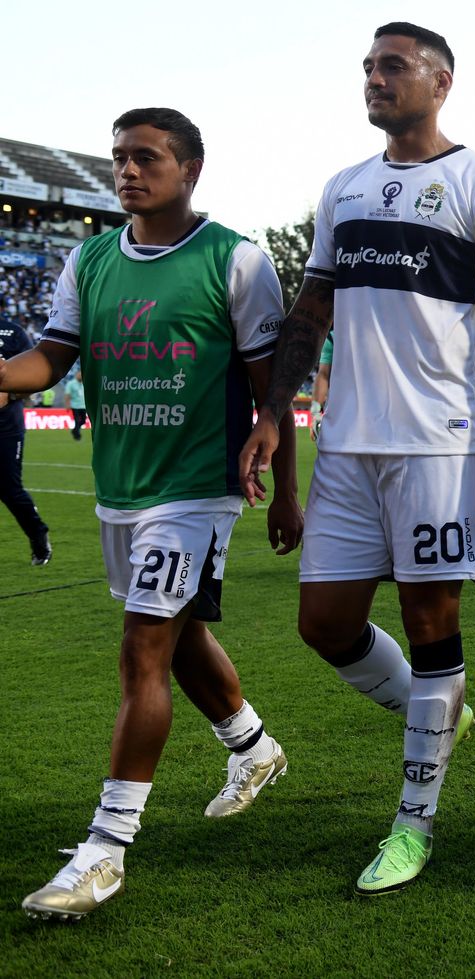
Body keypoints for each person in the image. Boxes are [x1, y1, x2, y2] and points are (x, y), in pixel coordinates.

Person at [238, 22, 475, 896]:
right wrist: (271, 412)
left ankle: (414, 825)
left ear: (440, 82)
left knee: (430, 623)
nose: (374, 79)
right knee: (323, 623)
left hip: (440, 445)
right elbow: (311, 312)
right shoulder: (343, 188)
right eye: (368, 67)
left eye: (392, 67)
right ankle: (436, 713)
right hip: (346, 446)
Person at [3, 107, 302, 921]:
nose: (127, 171)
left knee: (143, 644)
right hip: (121, 487)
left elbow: (272, 388)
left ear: (190, 169)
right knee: (179, 636)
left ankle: (105, 849)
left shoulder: (235, 260)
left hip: (198, 487)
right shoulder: (90, 259)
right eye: (119, 158)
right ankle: (255, 747)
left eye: (146, 158)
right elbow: (49, 360)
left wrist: (290, 494)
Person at [0, 314, 51, 565]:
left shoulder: (13, 333)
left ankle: (38, 534)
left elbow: (34, 374)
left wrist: (9, 394)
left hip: (6, 426)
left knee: (9, 489)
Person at [64, 368, 87, 441]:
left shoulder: (84, 383)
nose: (81, 376)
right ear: (76, 375)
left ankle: (74, 430)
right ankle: (77, 436)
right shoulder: (71, 384)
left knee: (83, 421)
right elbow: (67, 395)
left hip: (83, 406)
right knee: (77, 421)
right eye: (80, 374)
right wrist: (67, 405)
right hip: (75, 406)